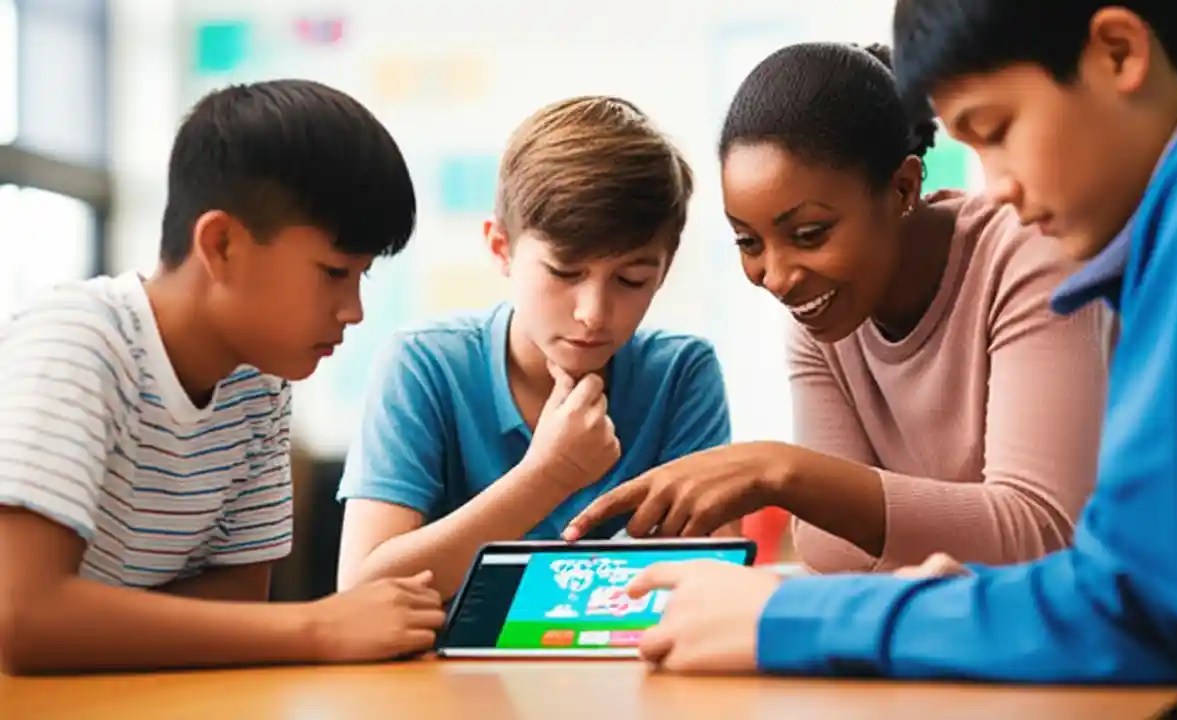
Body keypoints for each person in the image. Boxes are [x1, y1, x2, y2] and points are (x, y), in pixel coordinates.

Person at [622, 2, 1177, 711]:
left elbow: (1145, 605)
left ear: (1119, 52)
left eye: (996, 133)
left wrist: (788, 619)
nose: (995, 185)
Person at [563, 43, 1110, 578]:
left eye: (809, 233)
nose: (776, 277)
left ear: (902, 188)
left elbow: (1043, 532)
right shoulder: (823, 312)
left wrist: (782, 472)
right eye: (749, 242)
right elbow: (831, 552)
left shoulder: (1029, 256)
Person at [0, 80, 444, 674]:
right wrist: (318, 626)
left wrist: (94, 623)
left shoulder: (257, 386)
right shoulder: (77, 340)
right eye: (334, 272)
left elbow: (236, 604)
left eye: (361, 276)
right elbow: (22, 620)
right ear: (222, 244)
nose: (353, 310)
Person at [335, 96, 732, 599]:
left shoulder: (681, 374)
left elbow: (708, 584)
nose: (593, 312)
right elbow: (360, 590)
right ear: (501, 248)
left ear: (664, 270)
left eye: (631, 280)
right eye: (566, 273)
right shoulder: (424, 365)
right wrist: (547, 475)